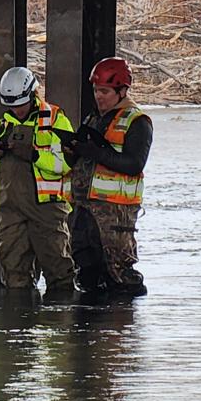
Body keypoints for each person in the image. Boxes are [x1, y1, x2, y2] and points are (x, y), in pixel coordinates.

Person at [62, 57, 151, 296]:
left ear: (122, 91)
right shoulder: (93, 119)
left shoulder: (137, 122)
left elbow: (134, 164)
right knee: (87, 271)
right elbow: (79, 164)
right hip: (84, 210)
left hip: (115, 215)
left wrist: (96, 152)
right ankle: (90, 329)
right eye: (96, 90)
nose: (99, 96)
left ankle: (120, 329)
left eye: (105, 91)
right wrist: (73, 152)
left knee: (119, 275)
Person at [0, 66, 76, 292]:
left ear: (34, 94)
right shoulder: (2, 125)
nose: (17, 111)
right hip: (10, 210)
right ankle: (18, 322)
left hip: (47, 210)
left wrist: (34, 155)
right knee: (14, 274)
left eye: (21, 105)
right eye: (12, 106)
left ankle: (61, 321)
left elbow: (66, 164)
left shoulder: (56, 120)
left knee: (59, 271)